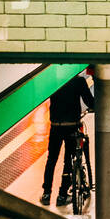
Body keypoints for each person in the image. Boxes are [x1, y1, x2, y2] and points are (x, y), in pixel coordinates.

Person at [40, 70, 95, 207]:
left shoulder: (53, 80)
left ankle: (46, 193)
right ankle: (63, 195)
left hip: (56, 126)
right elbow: (90, 101)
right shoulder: (78, 81)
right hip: (72, 125)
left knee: (51, 159)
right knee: (68, 160)